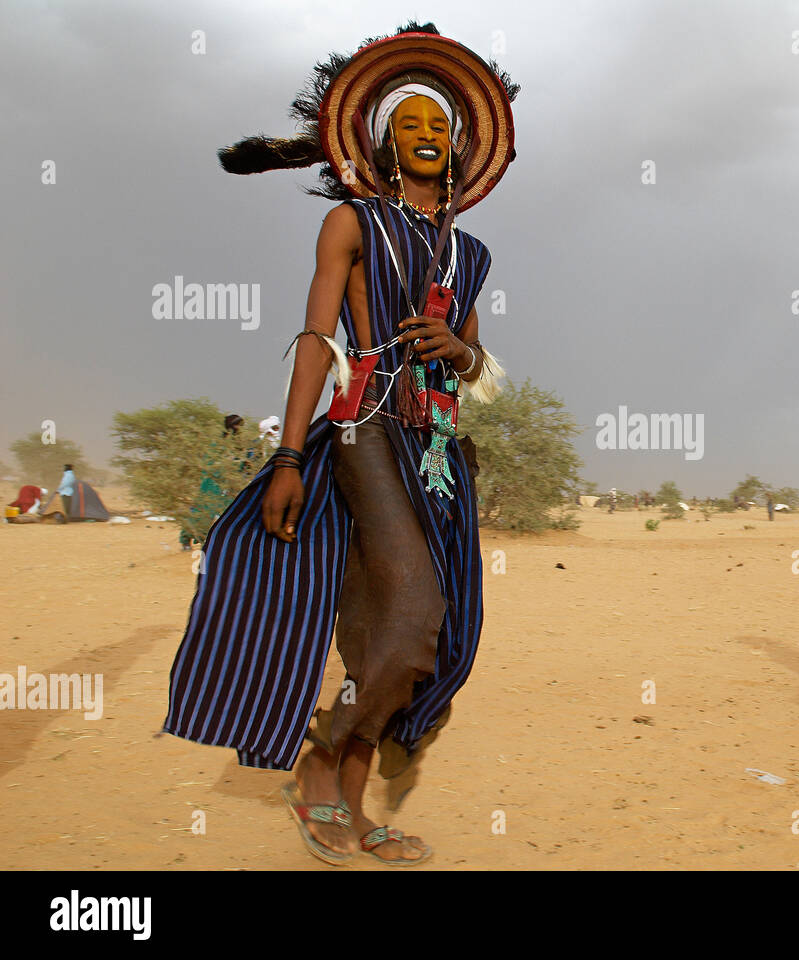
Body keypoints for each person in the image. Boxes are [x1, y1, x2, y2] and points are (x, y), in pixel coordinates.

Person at [164, 21, 518, 866]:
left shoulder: (470, 253)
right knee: (414, 609)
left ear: (461, 142)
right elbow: (318, 341)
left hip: (439, 456)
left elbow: (479, 366)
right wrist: (288, 455)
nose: (429, 136)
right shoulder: (351, 224)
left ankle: (351, 808)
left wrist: (459, 351)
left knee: (412, 634)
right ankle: (318, 760)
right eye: (411, 124)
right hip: (366, 430)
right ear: (384, 142)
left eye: (440, 125)